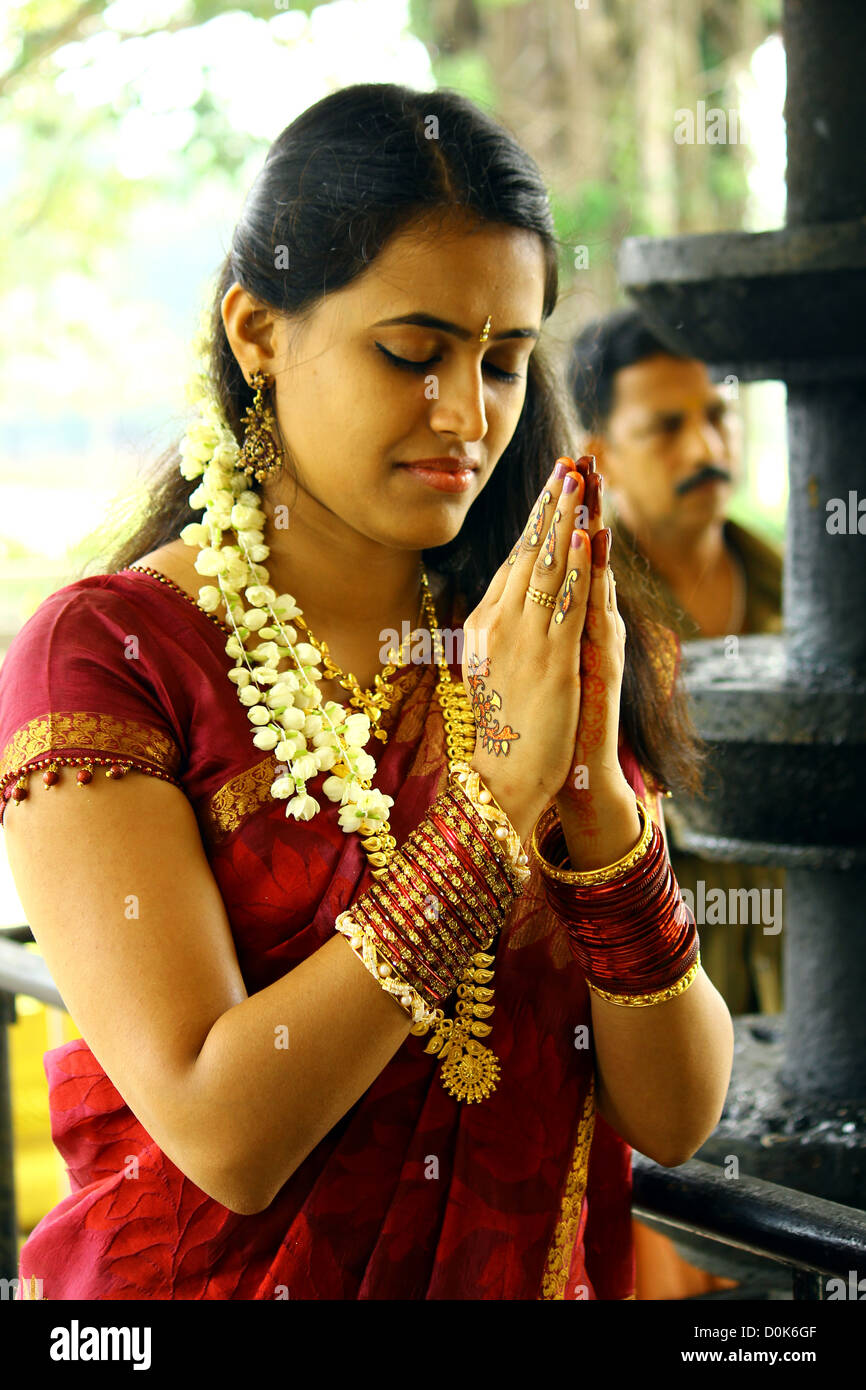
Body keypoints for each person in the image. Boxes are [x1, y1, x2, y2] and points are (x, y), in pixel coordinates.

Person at [0, 83, 732, 1302]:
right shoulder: (111, 659)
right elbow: (224, 1135)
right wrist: (487, 817)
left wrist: (596, 805)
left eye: (504, 362)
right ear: (256, 331)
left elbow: (675, 1113)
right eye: (411, 353)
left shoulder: (515, 646)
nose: (467, 415)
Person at [569, 306, 784, 1298]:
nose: (706, 445)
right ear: (599, 451)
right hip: (652, 1031)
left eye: (717, 413)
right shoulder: (580, 623)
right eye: (666, 426)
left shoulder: (806, 593)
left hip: (802, 1006)